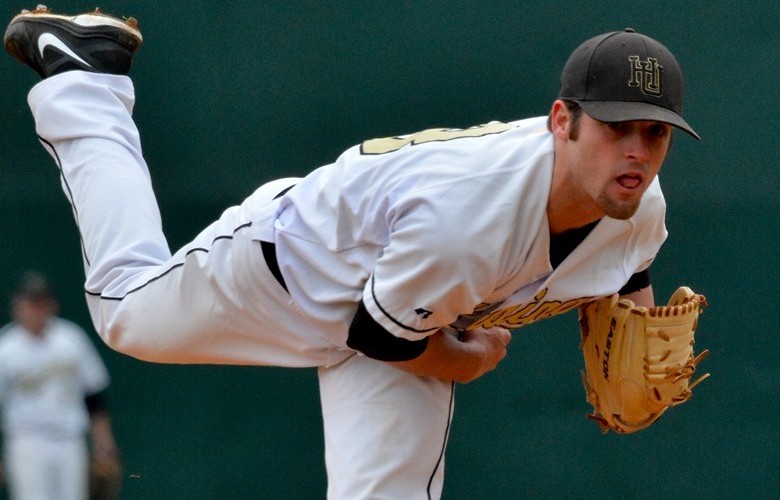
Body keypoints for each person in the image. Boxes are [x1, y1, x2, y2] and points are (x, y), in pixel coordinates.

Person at [3, 6, 700, 499]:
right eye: (615, 127)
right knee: (126, 312)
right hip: (296, 269)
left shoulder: (640, 203)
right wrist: (467, 360)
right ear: (562, 121)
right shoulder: (468, 214)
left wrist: (635, 319)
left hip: (408, 317)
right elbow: (378, 335)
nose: (637, 151)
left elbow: (630, 267)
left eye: (655, 132)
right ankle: (87, 81)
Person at [0, 271, 121, 500]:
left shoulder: (71, 339)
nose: (36, 309)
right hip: (26, 441)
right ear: (17, 306)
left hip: (70, 439)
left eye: (41, 302)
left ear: (52, 305)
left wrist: (104, 443)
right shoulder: (5, 347)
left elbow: (94, 396)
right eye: (31, 302)